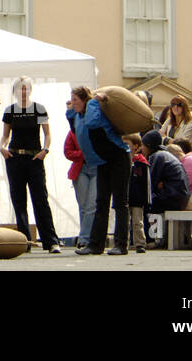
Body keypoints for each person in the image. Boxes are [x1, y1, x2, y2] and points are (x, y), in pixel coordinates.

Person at [0, 76, 60, 253]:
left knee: (40, 199)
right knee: (19, 200)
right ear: (15, 92)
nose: (23, 92)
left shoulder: (39, 109)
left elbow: (47, 134)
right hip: (15, 158)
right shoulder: (10, 110)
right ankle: (24, 241)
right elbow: (5, 134)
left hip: (35, 158)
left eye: (26, 88)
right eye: (20, 89)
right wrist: (1, 147)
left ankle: (51, 241)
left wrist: (45, 150)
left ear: (30, 90)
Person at [67, 86, 129, 255]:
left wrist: (94, 102)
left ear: (84, 101)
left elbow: (92, 123)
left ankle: (121, 244)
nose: (73, 103)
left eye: (75, 100)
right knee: (101, 203)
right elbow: (75, 130)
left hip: (118, 157)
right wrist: (70, 112)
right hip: (102, 161)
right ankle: (95, 245)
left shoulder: (93, 112)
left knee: (120, 203)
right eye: (71, 100)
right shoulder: (79, 116)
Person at [64, 91, 96, 248]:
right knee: (83, 206)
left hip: (96, 167)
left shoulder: (91, 122)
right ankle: (87, 237)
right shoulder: (73, 130)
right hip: (81, 169)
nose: (72, 103)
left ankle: (84, 238)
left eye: (75, 100)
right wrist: (83, 153)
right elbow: (67, 152)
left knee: (91, 205)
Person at [139, 132, 189, 230]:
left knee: (145, 205)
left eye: (143, 145)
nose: (141, 148)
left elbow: (149, 184)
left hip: (173, 197)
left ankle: (152, 238)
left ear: (149, 145)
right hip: (180, 197)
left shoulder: (157, 157)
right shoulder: (165, 155)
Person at [123, 134, 150, 252]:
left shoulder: (141, 163)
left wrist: (146, 199)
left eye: (127, 144)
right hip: (124, 197)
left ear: (136, 146)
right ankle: (124, 242)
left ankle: (140, 243)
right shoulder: (121, 161)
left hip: (137, 197)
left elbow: (146, 183)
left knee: (137, 221)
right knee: (124, 221)